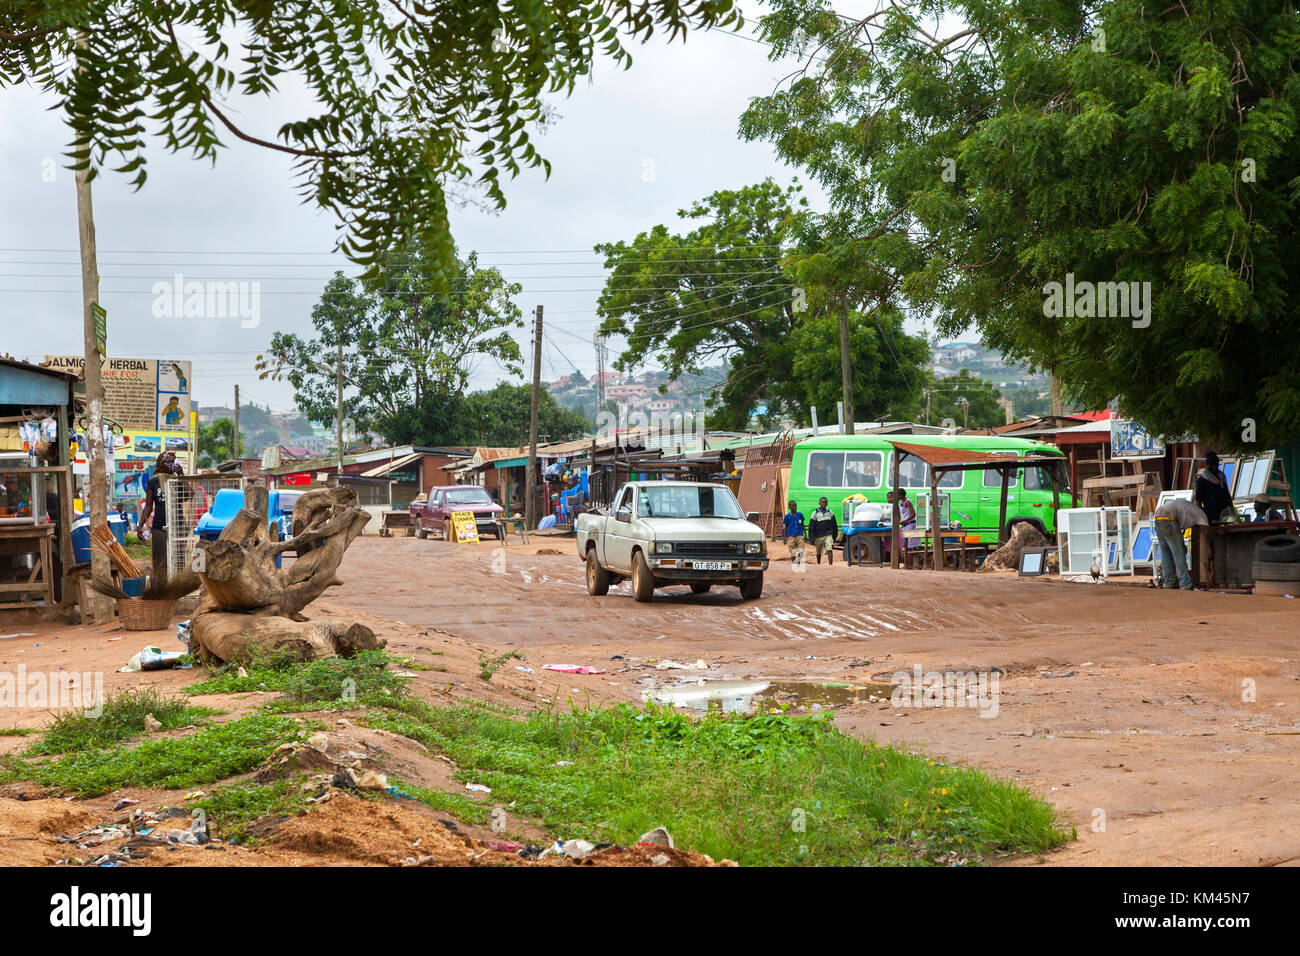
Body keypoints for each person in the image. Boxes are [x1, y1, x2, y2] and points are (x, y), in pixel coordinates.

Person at [138, 451, 179, 578]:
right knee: (160, 559)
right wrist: (140, 525)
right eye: (168, 462)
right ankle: (162, 587)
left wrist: (182, 477)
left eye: (173, 462)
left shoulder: (178, 479)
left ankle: (176, 586)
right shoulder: (153, 483)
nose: (171, 465)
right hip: (159, 525)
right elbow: (149, 506)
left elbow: (189, 495)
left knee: (177, 558)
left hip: (178, 524)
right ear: (160, 464)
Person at [1154, 496, 1208, 590]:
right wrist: (1210, 547)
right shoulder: (1202, 515)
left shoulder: (1190, 509)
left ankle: (1169, 582)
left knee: (1165, 551)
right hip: (1169, 516)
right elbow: (1206, 531)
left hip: (1158, 514)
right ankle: (1185, 583)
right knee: (1178, 553)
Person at [1194, 450, 1233, 523]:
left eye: (1216, 464)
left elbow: (1227, 496)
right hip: (1210, 517)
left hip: (1224, 515)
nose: (1214, 467)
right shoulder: (1202, 480)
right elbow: (1198, 502)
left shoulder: (1222, 477)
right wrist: (1204, 517)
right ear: (1207, 465)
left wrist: (1232, 511)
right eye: (1212, 465)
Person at [809, 496, 839, 565]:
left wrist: (834, 536)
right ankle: (818, 563)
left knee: (829, 549)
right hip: (818, 535)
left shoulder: (830, 513)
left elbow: (834, 525)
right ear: (819, 503)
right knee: (818, 552)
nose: (823, 503)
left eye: (825, 502)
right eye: (822, 502)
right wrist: (812, 538)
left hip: (828, 534)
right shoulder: (815, 513)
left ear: (827, 504)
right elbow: (811, 526)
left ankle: (830, 565)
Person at [781, 500, 806, 565]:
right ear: (789, 507)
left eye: (795, 505)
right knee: (793, 552)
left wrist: (805, 534)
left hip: (800, 535)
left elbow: (803, 524)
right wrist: (784, 538)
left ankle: (798, 560)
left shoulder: (800, 514)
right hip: (791, 536)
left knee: (801, 550)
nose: (794, 507)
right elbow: (785, 527)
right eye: (792, 505)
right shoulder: (787, 516)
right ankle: (794, 563)